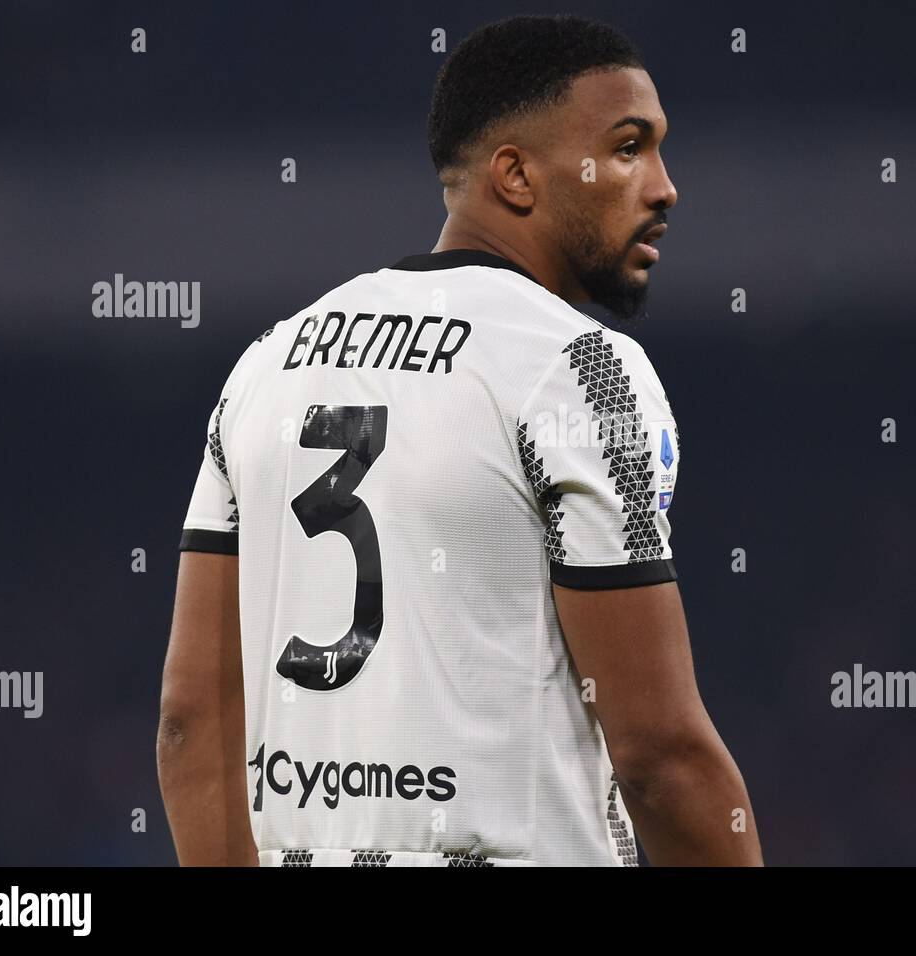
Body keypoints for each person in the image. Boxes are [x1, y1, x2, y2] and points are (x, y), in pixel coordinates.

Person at [158, 13, 761, 867]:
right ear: (515, 175)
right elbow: (658, 755)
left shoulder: (266, 366)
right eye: (629, 148)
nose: (664, 187)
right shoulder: (578, 369)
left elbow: (191, 722)